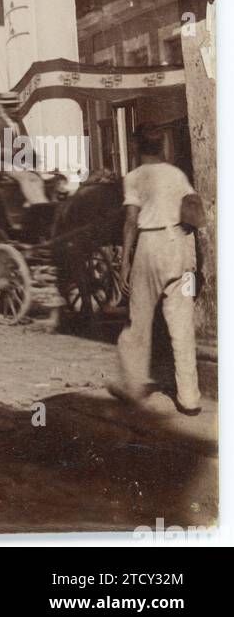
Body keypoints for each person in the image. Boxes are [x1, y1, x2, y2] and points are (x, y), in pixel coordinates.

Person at [114, 126, 201, 415]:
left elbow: (130, 222)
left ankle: (133, 385)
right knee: (182, 325)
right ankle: (190, 398)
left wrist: (125, 261)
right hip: (181, 243)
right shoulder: (177, 174)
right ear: (161, 145)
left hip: (150, 244)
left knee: (138, 319)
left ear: (138, 147)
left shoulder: (135, 177)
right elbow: (193, 209)